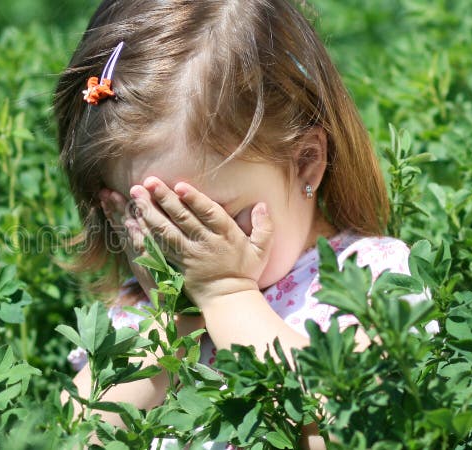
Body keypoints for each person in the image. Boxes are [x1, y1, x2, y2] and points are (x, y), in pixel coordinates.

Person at [53, 0, 432, 448]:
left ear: (306, 163)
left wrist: (227, 294)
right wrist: (169, 326)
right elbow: (71, 437)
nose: (182, 256)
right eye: (155, 225)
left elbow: (363, 428)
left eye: (214, 221)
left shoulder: (370, 279)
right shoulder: (140, 320)